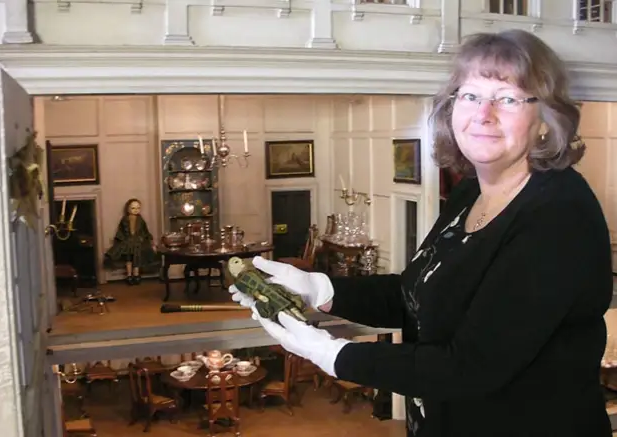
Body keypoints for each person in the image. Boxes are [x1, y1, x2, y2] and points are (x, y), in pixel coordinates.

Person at [230, 29, 614, 437]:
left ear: (545, 120)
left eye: (508, 98)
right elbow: (417, 293)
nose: (484, 114)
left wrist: (332, 354)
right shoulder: (470, 191)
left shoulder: (558, 215)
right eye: (470, 95)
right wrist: (320, 289)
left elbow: (470, 367)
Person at [104, 198, 159, 285]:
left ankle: (136, 275)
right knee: (128, 259)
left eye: (138, 208)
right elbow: (120, 231)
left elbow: (145, 231)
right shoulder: (124, 219)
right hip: (128, 242)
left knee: (137, 259)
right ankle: (129, 275)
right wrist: (119, 240)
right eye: (133, 208)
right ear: (128, 209)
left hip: (138, 243)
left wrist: (149, 240)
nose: (135, 210)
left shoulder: (141, 220)